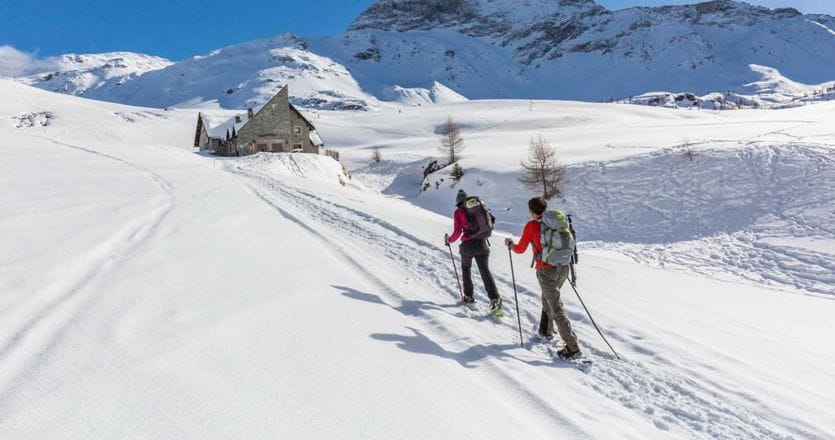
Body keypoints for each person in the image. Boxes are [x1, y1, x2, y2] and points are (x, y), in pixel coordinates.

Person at [505, 197, 581, 359]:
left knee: (555, 306)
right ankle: (545, 331)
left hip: (546, 270)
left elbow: (520, 249)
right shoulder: (557, 221)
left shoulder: (532, 226)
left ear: (532, 211)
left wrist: (510, 245)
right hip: (564, 267)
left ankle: (572, 346)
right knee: (548, 299)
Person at [445, 189, 502, 314]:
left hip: (467, 246)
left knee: (466, 269)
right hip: (482, 243)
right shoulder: (477, 208)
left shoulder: (458, 212)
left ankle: (469, 297)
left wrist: (449, 240)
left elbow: (457, 231)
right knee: (485, 271)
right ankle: (495, 299)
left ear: (457, 201)